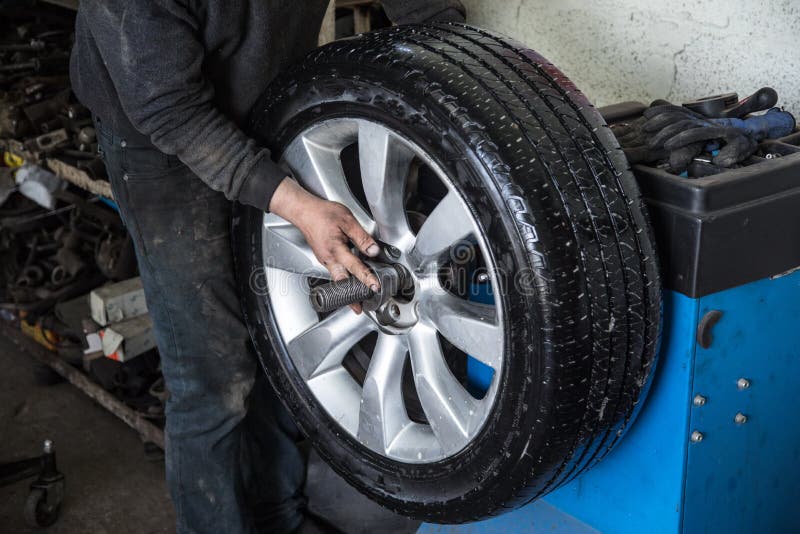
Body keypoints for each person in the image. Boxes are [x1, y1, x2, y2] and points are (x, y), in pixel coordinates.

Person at [69, 1, 465, 533]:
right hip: (160, 141)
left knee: (276, 337)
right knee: (213, 378)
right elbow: (167, 108)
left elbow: (425, 8)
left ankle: (278, 516)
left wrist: (462, 60)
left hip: (266, 104)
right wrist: (296, 205)